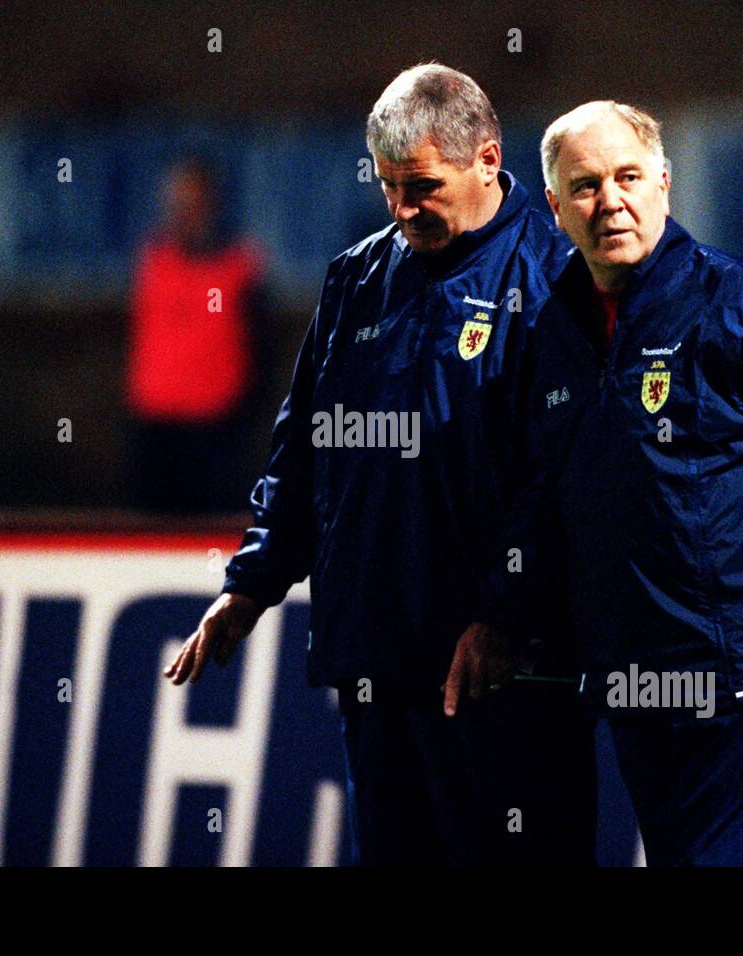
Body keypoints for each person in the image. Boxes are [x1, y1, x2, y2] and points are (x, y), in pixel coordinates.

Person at [164, 64, 595, 865]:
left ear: (489, 160)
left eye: (423, 185)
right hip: (379, 662)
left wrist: (506, 613)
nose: (403, 209)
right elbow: (305, 450)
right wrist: (253, 583)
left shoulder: (556, 281)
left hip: (502, 672)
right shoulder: (358, 280)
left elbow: (567, 474)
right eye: (389, 186)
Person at [476, 101, 743, 866]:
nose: (611, 201)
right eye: (586, 186)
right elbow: (544, 494)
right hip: (637, 683)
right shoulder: (550, 333)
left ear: (665, 184)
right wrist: (504, 613)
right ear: (555, 210)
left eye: (629, 176)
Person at [124, 156, 270, 513]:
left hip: (216, 428)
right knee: (148, 533)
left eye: (196, 197)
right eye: (179, 198)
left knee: (211, 531)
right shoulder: (153, 259)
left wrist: (248, 410)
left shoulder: (241, 264)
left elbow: (262, 346)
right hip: (155, 425)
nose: (186, 208)